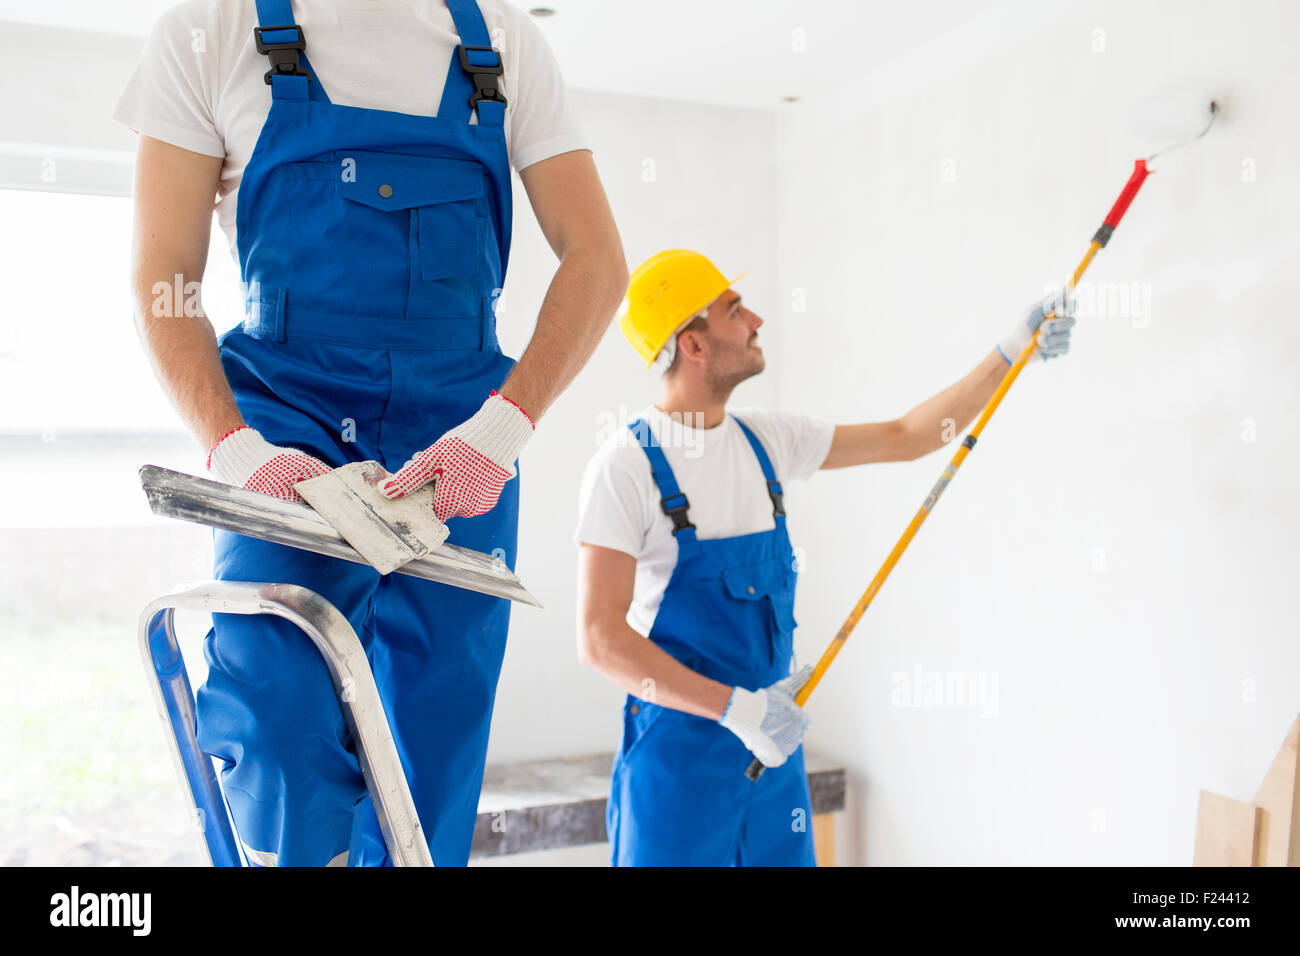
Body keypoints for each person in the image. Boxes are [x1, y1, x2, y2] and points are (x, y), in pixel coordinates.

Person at [116, 0, 627, 866]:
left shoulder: (500, 41)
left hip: (463, 430)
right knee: (276, 703)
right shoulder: (212, 29)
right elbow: (164, 277)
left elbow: (598, 260)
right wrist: (237, 450)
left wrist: (499, 432)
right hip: (283, 420)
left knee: (431, 747)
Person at [575, 249, 1074, 866]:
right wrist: (738, 709)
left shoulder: (766, 441)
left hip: (774, 748)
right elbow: (599, 639)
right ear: (693, 345)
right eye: (734, 310)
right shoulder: (624, 467)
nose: (756, 319)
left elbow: (908, 437)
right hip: (680, 763)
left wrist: (1009, 351)